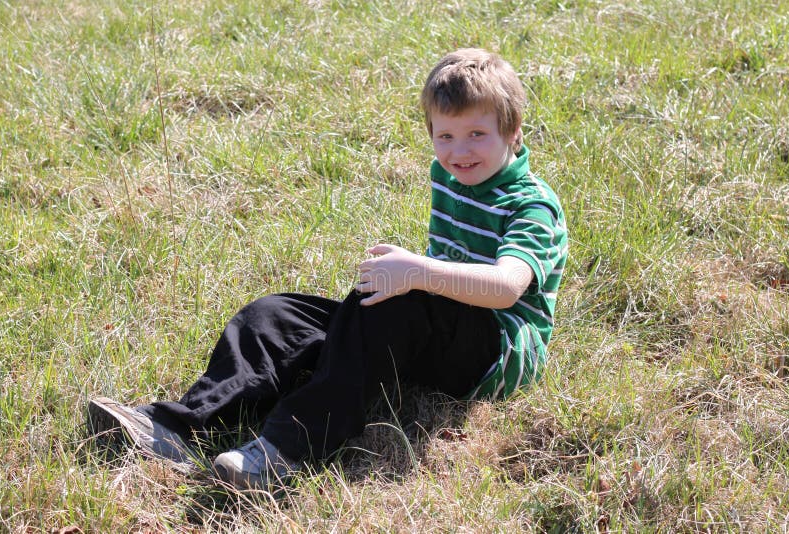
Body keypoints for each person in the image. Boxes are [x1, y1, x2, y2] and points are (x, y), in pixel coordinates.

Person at [87, 48, 568, 491]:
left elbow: (507, 289)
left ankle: (287, 450)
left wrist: (417, 271)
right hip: (438, 319)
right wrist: (412, 279)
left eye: (476, 135)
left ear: (513, 130)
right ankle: (176, 426)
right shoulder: (450, 172)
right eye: (445, 136)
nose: (459, 152)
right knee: (276, 315)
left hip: (494, 351)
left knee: (389, 299)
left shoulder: (530, 206)